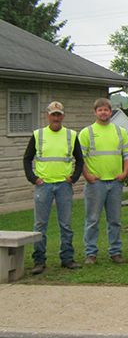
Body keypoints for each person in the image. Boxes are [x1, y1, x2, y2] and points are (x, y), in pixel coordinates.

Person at [22, 101, 84, 273]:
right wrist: (33, 178)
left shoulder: (71, 135)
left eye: (59, 114)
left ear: (63, 116)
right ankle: (39, 261)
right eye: (53, 114)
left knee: (65, 224)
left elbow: (79, 159)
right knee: (40, 225)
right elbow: (27, 158)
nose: (56, 117)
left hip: (64, 185)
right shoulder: (38, 135)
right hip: (44, 186)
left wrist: (74, 177)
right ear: (47, 116)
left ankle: (67, 258)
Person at [79, 98, 128, 265]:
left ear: (111, 111)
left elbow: (127, 154)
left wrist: (125, 172)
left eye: (106, 110)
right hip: (96, 184)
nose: (103, 113)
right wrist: (87, 176)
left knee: (115, 220)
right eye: (100, 110)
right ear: (95, 112)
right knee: (92, 220)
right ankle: (91, 253)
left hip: (116, 183)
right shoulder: (86, 132)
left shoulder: (119, 131)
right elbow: (80, 158)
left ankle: (115, 252)